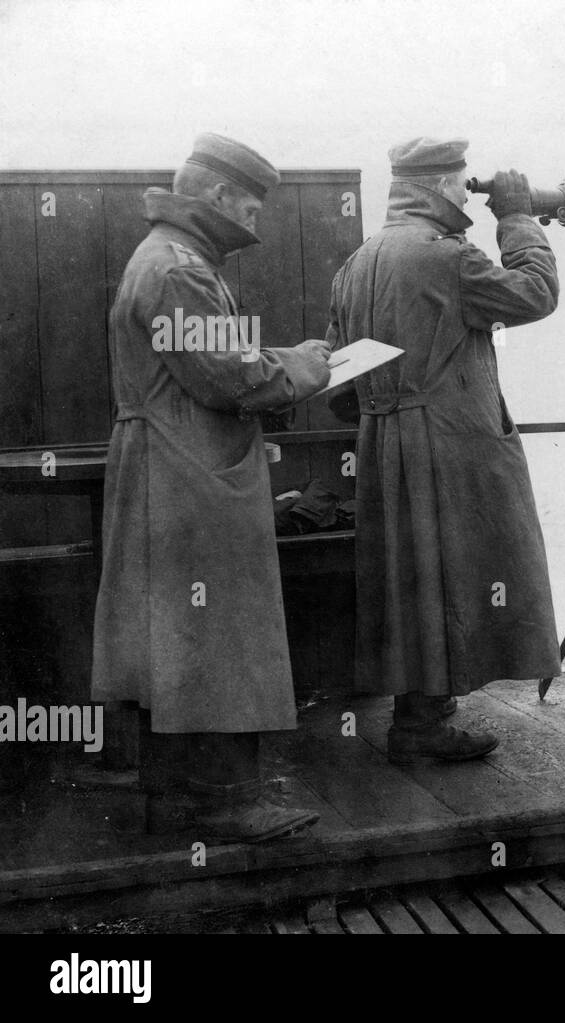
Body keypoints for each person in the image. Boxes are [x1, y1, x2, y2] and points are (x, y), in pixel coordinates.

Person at [92, 133, 332, 843]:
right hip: (188, 471)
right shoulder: (179, 269)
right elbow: (231, 374)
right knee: (219, 630)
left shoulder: (168, 259)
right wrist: (309, 365)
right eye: (251, 207)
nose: (255, 222)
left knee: (175, 634)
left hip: (170, 463)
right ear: (222, 197)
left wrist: (269, 377)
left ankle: (174, 792)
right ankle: (226, 798)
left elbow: (206, 370)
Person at [326, 136, 561, 763]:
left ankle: (420, 719)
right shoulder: (447, 258)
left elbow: (338, 385)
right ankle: (423, 728)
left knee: (411, 583)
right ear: (435, 189)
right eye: (461, 184)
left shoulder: (357, 263)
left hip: (382, 446)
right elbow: (535, 294)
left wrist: (389, 409)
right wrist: (516, 215)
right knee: (458, 576)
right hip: (450, 447)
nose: (467, 194)